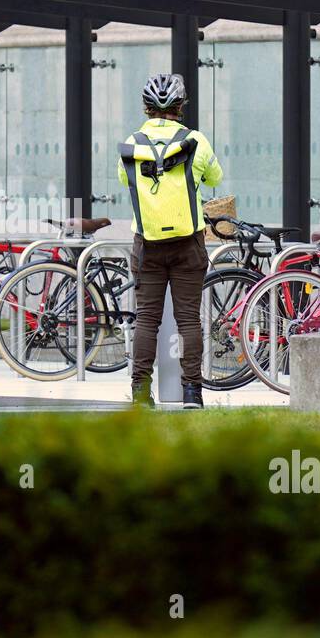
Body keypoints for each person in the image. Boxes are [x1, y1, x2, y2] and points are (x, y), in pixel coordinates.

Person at [117, 74, 222, 409]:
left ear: (146, 107)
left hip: (146, 244)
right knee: (188, 318)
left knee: (147, 318)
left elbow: (126, 182)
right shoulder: (196, 142)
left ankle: (139, 394)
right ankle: (192, 393)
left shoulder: (132, 144)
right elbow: (215, 178)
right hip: (188, 242)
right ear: (180, 106)